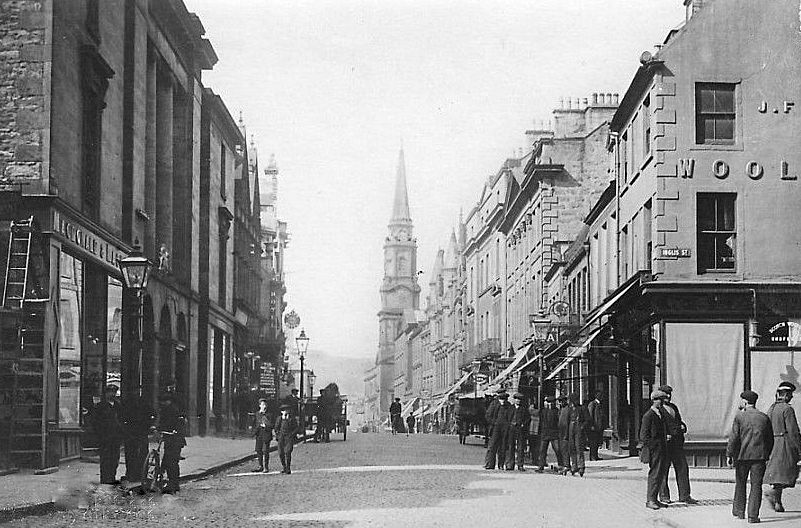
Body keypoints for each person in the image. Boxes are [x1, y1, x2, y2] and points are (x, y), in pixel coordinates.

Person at [727, 390, 773, 523]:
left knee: (740, 483)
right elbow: (770, 439)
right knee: (756, 486)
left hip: (742, 456)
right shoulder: (764, 417)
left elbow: (734, 438)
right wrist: (766, 454)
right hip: (759, 457)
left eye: (741, 400)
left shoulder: (739, 417)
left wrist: (729, 454)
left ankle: (739, 511)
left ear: (745, 402)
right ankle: (753, 516)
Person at [764, 381, 801, 513]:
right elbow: (793, 431)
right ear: (785, 394)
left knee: (778, 475)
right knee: (787, 473)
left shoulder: (771, 408)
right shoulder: (787, 409)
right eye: (790, 394)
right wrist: (799, 449)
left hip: (773, 444)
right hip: (785, 445)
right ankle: (773, 494)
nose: (791, 397)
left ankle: (778, 503)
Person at [657, 385, 698, 504]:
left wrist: (683, 426)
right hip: (665, 445)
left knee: (682, 469)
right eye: (666, 394)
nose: (668, 396)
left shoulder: (673, 407)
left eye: (670, 394)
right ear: (661, 395)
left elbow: (679, 421)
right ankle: (664, 496)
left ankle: (685, 495)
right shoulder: (658, 410)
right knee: (663, 471)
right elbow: (656, 427)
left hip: (677, 444)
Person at [640, 389, 670, 510]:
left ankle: (656, 499)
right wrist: (653, 446)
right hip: (655, 450)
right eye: (660, 400)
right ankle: (650, 500)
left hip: (662, 449)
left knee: (660, 474)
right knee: (655, 474)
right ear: (654, 401)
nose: (662, 402)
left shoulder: (660, 413)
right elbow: (643, 436)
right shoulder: (648, 416)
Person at [157, 391, 187, 493]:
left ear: (169, 401)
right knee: (167, 461)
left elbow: (180, 423)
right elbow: (162, 423)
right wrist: (158, 429)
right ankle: (167, 481)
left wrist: (176, 431)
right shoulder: (164, 410)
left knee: (172, 462)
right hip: (169, 439)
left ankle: (174, 484)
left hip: (176, 440)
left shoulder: (175, 410)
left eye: (164, 401)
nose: (163, 403)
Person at [94, 384, 124, 485]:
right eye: (110, 392)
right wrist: (100, 434)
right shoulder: (100, 406)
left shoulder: (118, 405)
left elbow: (121, 419)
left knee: (115, 458)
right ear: (106, 393)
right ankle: (105, 478)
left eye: (114, 392)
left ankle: (112, 477)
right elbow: (96, 422)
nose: (112, 394)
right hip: (105, 436)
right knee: (105, 458)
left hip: (116, 436)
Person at [121, 393, 154, 482]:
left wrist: (149, 425)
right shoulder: (128, 404)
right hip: (131, 432)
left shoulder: (144, 404)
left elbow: (152, 415)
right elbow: (123, 417)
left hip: (141, 432)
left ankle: (140, 474)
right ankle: (132, 474)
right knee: (131, 454)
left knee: (142, 453)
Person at [562, 393, 590, 476]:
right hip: (571, 429)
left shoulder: (582, 408)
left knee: (579, 448)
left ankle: (581, 466)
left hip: (578, 429)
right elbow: (566, 421)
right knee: (572, 448)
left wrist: (582, 426)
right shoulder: (569, 409)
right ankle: (574, 465)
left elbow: (588, 419)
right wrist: (566, 434)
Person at [484, 390, 512, 470]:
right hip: (495, 429)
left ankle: (501, 464)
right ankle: (490, 464)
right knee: (492, 446)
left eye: (504, 399)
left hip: (505, 429)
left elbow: (510, 416)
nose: (503, 401)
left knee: (503, 447)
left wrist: (508, 425)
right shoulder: (494, 404)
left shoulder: (508, 405)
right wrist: (494, 423)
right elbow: (488, 416)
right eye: (501, 398)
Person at [536, 396, 562, 472]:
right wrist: (539, 432)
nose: (551, 404)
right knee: (542, 450)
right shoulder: (543, 411)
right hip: (545, 433)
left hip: (554, 433)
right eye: (549, 402)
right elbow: (541, 422)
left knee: (557, 450)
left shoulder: (557, 411)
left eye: (552, 402)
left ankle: (561, 465)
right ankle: (541, 466)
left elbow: (558, 423)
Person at [506, 393, 529, 471]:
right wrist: (509, 425)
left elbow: (528, 419)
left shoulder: (524, 409)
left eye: (519, 399)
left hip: (520, 429)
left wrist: (523, 424)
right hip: (511, 429)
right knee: (510, 447)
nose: (518, 401)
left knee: (520, 447)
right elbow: (507, 418)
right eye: (516, 399)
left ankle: (520, 465)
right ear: (514, 400)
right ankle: (510, 464)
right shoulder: (510, 408)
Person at [251, 398, 274, 472]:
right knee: (258, 450)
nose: (264, 406)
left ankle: (266, 467)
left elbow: (273, 425)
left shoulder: (270, 415)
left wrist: (266, 426)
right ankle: (260, 465)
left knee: (265, 451)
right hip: (259, 434)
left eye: (265, 404)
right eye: (262, 404)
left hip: (266, 434)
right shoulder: (257, 414)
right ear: (259, 405)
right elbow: (254, 423)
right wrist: (253, 432)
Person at [275, 404, 299, 474]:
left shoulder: (292, 418)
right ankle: (284, 467)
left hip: (289, 437)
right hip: (281, 437)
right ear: (281, 412)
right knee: (280, 453)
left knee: (288, 452)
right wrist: (278, 435)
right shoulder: (279, 418)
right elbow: (276, 427)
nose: (285, 412)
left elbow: (296, 428)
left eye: (287, 410)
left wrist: (292, 434)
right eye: (284, 410)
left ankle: (288, 468)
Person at [587, 391, 606, 461]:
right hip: (594, 427)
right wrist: (591, 425)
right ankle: (592, 456)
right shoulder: (592, 404)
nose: (601, 397)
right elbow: (590, 415)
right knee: (593, 442)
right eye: (600, 395)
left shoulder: (600, 404)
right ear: (597, 396)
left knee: (597, 442)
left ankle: (596, 455)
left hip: (599, 426)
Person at [527, 400, 540, 465]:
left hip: (530, 431)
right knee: (537, 447)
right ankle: (535, 459)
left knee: (532, 447)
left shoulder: (529, 412)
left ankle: (533, 459)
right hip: (537, 432)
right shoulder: (539, 413)